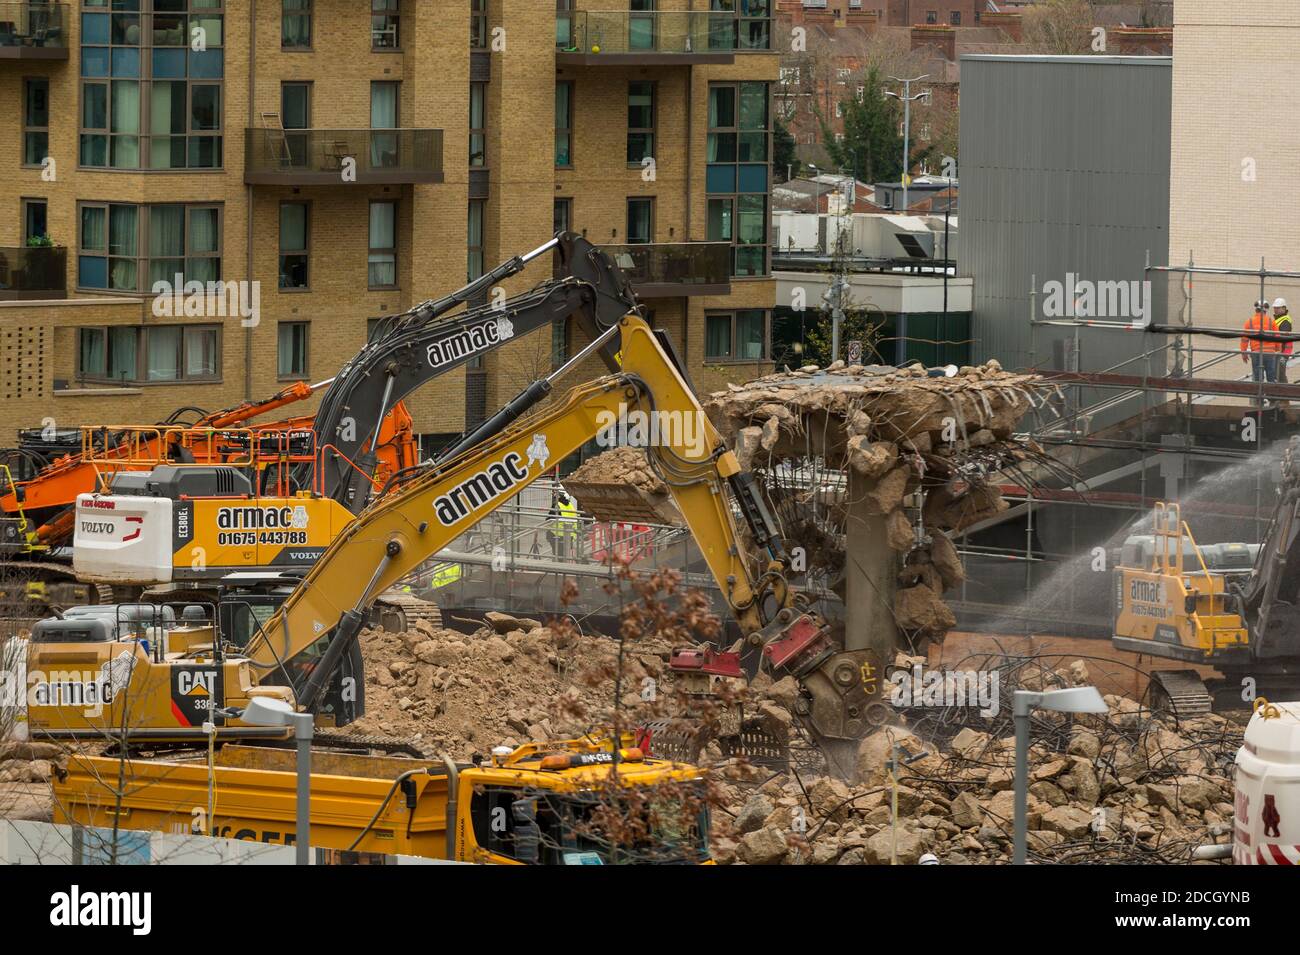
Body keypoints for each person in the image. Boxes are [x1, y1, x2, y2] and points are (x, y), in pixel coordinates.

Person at [1242, 299, 1279, 387]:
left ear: (1255, 309)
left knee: (1258, 378)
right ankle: (1272, 398)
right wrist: (1278, 350)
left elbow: (1244, 339)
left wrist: (1244, 353)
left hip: (1257, 353)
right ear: (1266, 310)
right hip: (1270, 353)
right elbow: (1278, 337)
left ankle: (1260, 398)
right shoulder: (1271, 321)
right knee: (1271, 377)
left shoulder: (1249, 322)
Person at [1274, 297, 1292, 385]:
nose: (1275, 310)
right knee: (1278, 373)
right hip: (1280, 351)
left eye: (1278, 308)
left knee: (1280, 373)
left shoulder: (1285, 321)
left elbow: (1283, 338)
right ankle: (1281, 395)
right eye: (1275, 308)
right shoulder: (1278, 320)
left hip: (1283, 351)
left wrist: (1280, 352)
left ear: (1284, 308)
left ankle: (1284, 395)